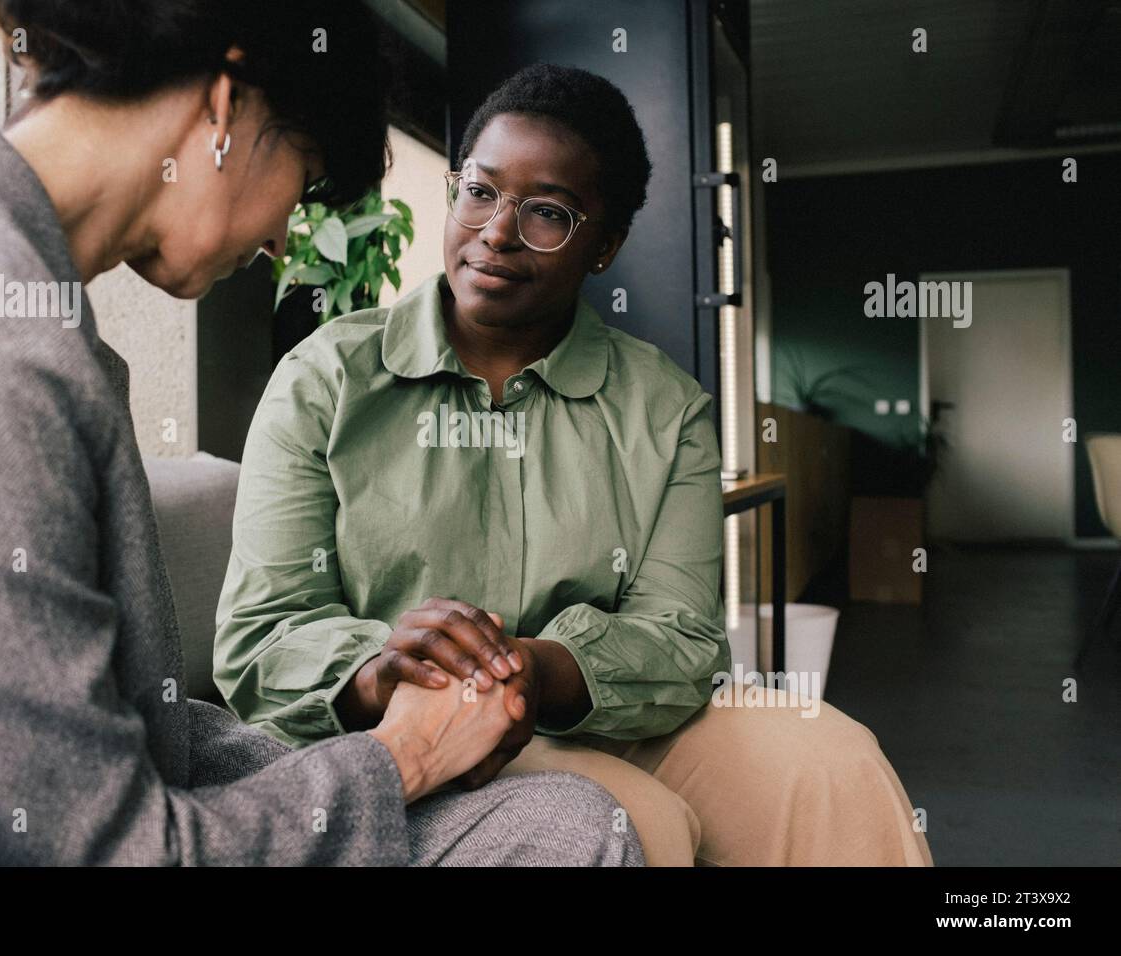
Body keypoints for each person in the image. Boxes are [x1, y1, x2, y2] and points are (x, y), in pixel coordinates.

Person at [0, 3, 643, 867]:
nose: (283, 240)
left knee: (569, 824)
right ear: (226, 104)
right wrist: (405, 756)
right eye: (305, 172)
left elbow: (133, 725)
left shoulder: (12, 284)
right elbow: (95, 848)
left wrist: (351, 753)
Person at [215, 63, 934, 867]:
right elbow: (262, 635)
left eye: (549, 213)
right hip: (401, 734)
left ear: (606, 245)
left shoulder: (668, 411)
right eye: (479, 192)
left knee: (835, 762)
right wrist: (383, 671)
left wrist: (536, 668)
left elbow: (687, 639)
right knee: (634, 819)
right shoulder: (325, 380)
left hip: (599, 717)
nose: (495, 232)